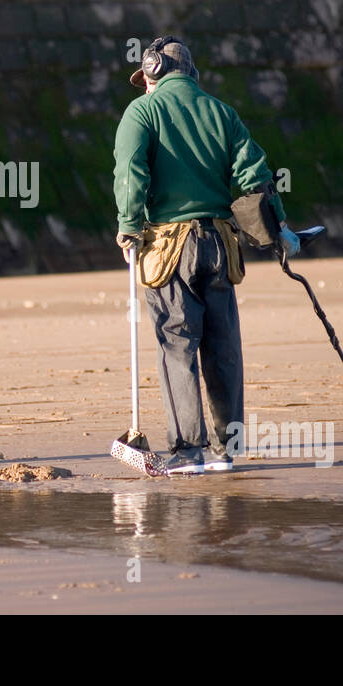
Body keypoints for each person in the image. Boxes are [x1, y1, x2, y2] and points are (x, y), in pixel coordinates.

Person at [113, 36, 299, 475]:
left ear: (154, 72)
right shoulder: (222, 112)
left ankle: (187, 451)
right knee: (222, 347)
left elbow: (130, 172)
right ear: (192, 74)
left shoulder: (141, 111)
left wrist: (127, 225)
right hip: (220, 244)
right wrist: (281, 227)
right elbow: (256, 174)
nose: (143, 86)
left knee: (177, 344)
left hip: (167, 247)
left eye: (145, 79)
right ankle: (224, 450)